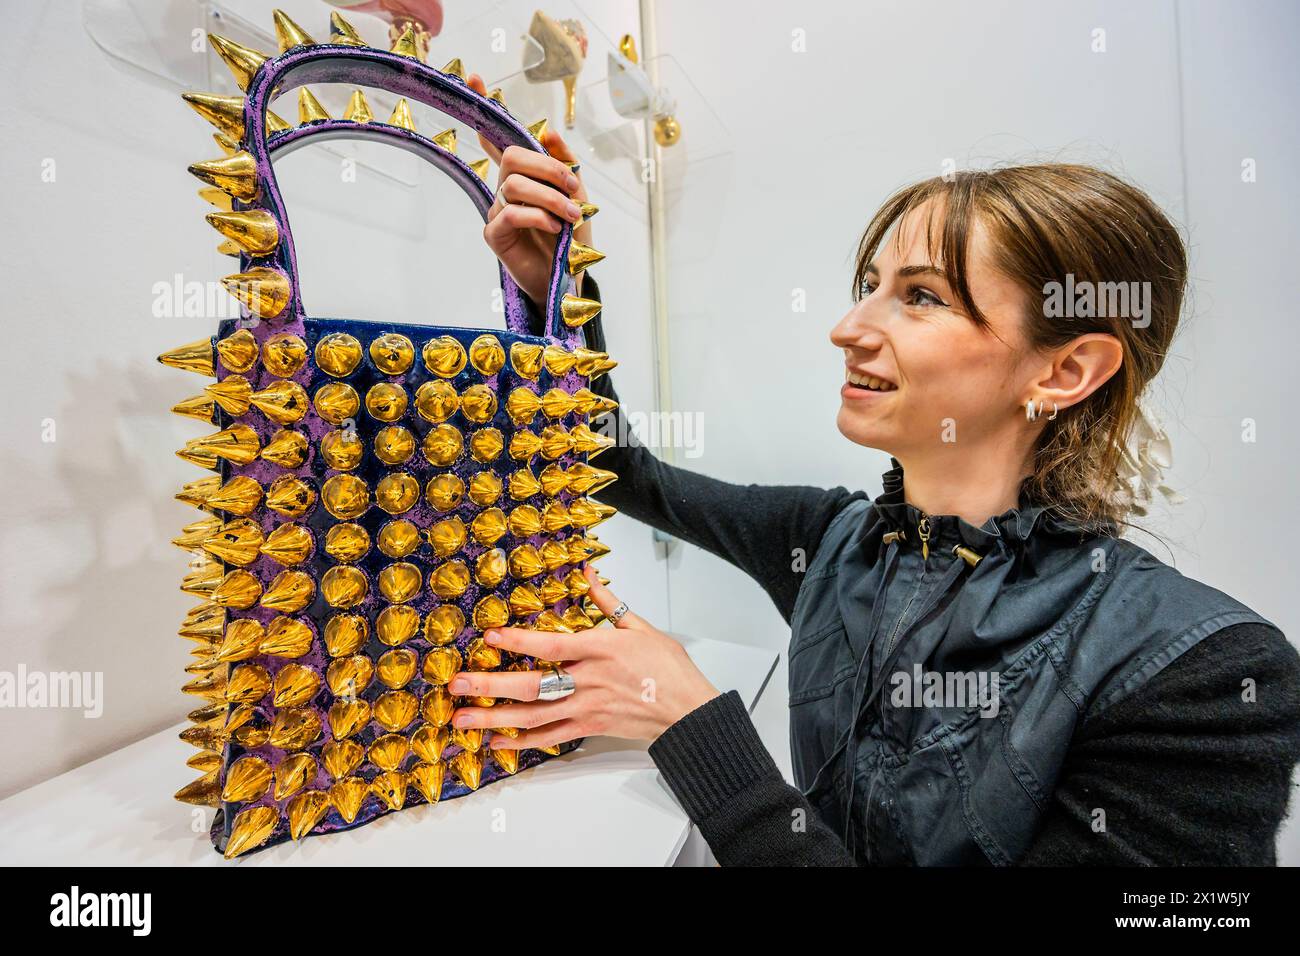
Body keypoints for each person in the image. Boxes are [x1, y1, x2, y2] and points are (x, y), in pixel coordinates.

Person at [447, 75, 1300, 866]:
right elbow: (612, 463)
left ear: (1064, 371)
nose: (848, 327)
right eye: (869, 283)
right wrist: (552, 292)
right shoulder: (828, 542)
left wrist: (695, 729)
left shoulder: (1207, 681)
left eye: (920, 296)